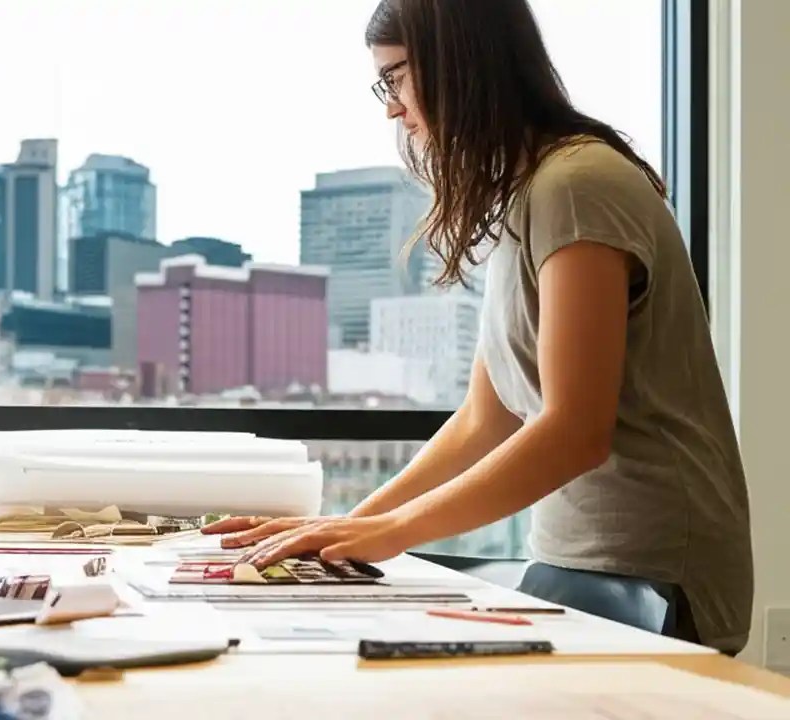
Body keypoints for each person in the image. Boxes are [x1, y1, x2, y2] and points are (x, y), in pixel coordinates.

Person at [203, 0, 752, 654]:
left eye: (397, 77)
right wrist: (352, 525)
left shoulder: (578, 185)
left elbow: (575, 431)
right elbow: (483, 419)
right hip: (583, 557)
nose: (391, 106)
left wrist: (393, 530)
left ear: (459, 64)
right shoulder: (530, 195)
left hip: (653, 571)